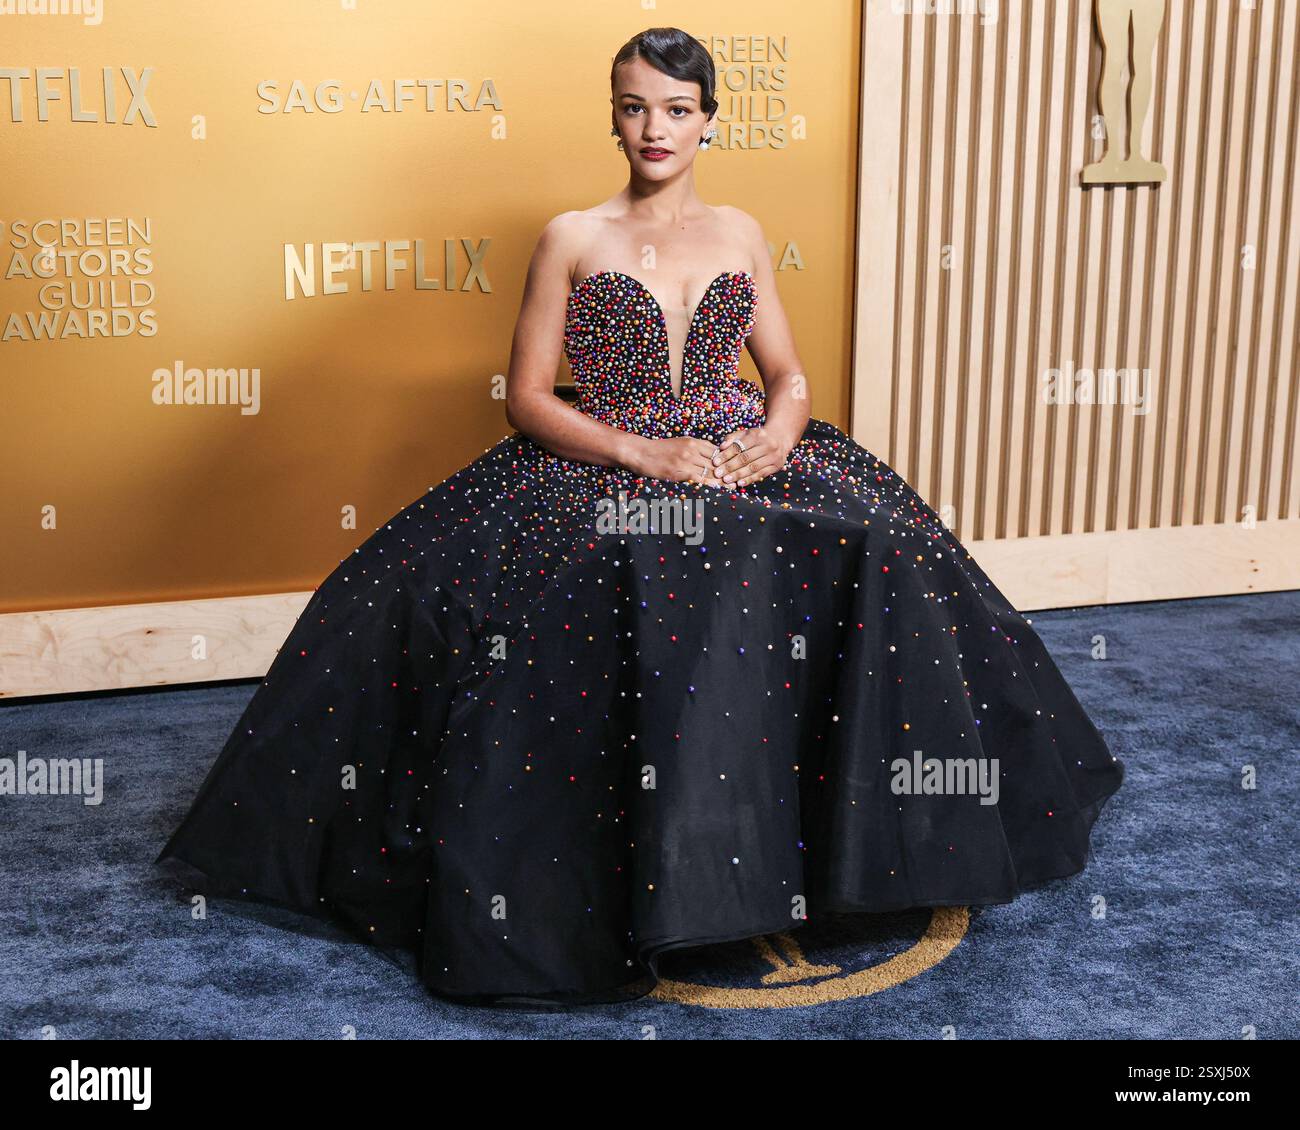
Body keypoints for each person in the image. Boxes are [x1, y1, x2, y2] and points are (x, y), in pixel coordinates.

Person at [156, 26, 1123, 1007]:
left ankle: (853, 849)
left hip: (743, 448)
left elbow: (785, 374)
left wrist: (783, 434)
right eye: (633, 106)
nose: (652, 127)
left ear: (708, 120)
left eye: (675, 107)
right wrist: (638, 451)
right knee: (492, 592)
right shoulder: (573, 236)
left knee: (892, 545)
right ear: (612, 116)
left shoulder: (742, 232)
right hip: (613, 454)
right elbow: (528, 398)